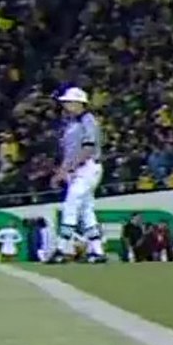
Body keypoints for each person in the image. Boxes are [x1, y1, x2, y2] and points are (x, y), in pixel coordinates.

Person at [50, 86, 108, 263]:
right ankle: (97, 251)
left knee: (71, 204)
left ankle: (62, 248)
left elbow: (88, 147)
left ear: (78, 103)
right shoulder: (73, 123)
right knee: (86, 209)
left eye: (69, 102)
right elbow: (70, 151)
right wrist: (63, 171)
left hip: (87, 168)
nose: (66, 106)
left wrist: (66, 170)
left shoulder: (87, 121)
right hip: (79, 169)